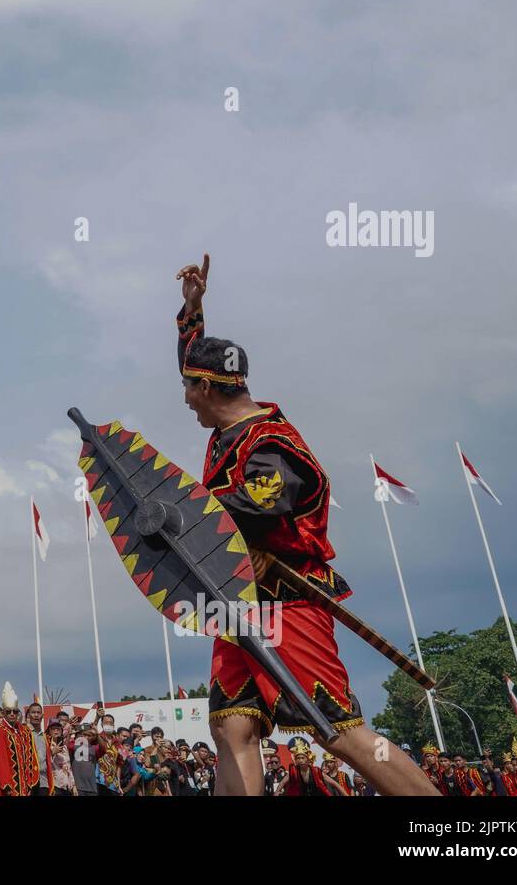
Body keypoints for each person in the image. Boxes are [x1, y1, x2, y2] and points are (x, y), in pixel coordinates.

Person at [174, 254, 437, 797]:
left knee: (337, 730)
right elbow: (192, 360)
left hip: (286, 598)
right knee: (232, 725)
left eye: (189, 388)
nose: (184, 401)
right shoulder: (228, 431)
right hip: (240, 602)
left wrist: (181, 509)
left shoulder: (271, 445)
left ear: (206, 388)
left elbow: (257, 504)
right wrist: (192, 312)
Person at [0, 683, 41, 796]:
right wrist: (6, 785)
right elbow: (0, 760)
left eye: (15, 711)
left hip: (24, 786)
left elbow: (29, 757)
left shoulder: (22, 731)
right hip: (9, 787)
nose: (12, 714)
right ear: (3, 713)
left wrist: (29, 782)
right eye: (8, 711)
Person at [23, 702, 53, 795]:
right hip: (29, 782)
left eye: (38, 713)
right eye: (33, 712)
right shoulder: (23, 733)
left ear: (42, 715)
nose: (36, 715)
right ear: (29, 715)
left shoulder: (45, 737)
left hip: (44, 783)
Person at [46, 720, 75, 795]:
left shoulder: (64, 747)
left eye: (58, 729)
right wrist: (52, 753)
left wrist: (73, 785)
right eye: (53, 729)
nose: (56, 731)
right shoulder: (46, 745)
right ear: (49, 731)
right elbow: (43, 763)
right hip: (54, 786)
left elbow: (69, 767)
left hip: (67, 786)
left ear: (61, 731)